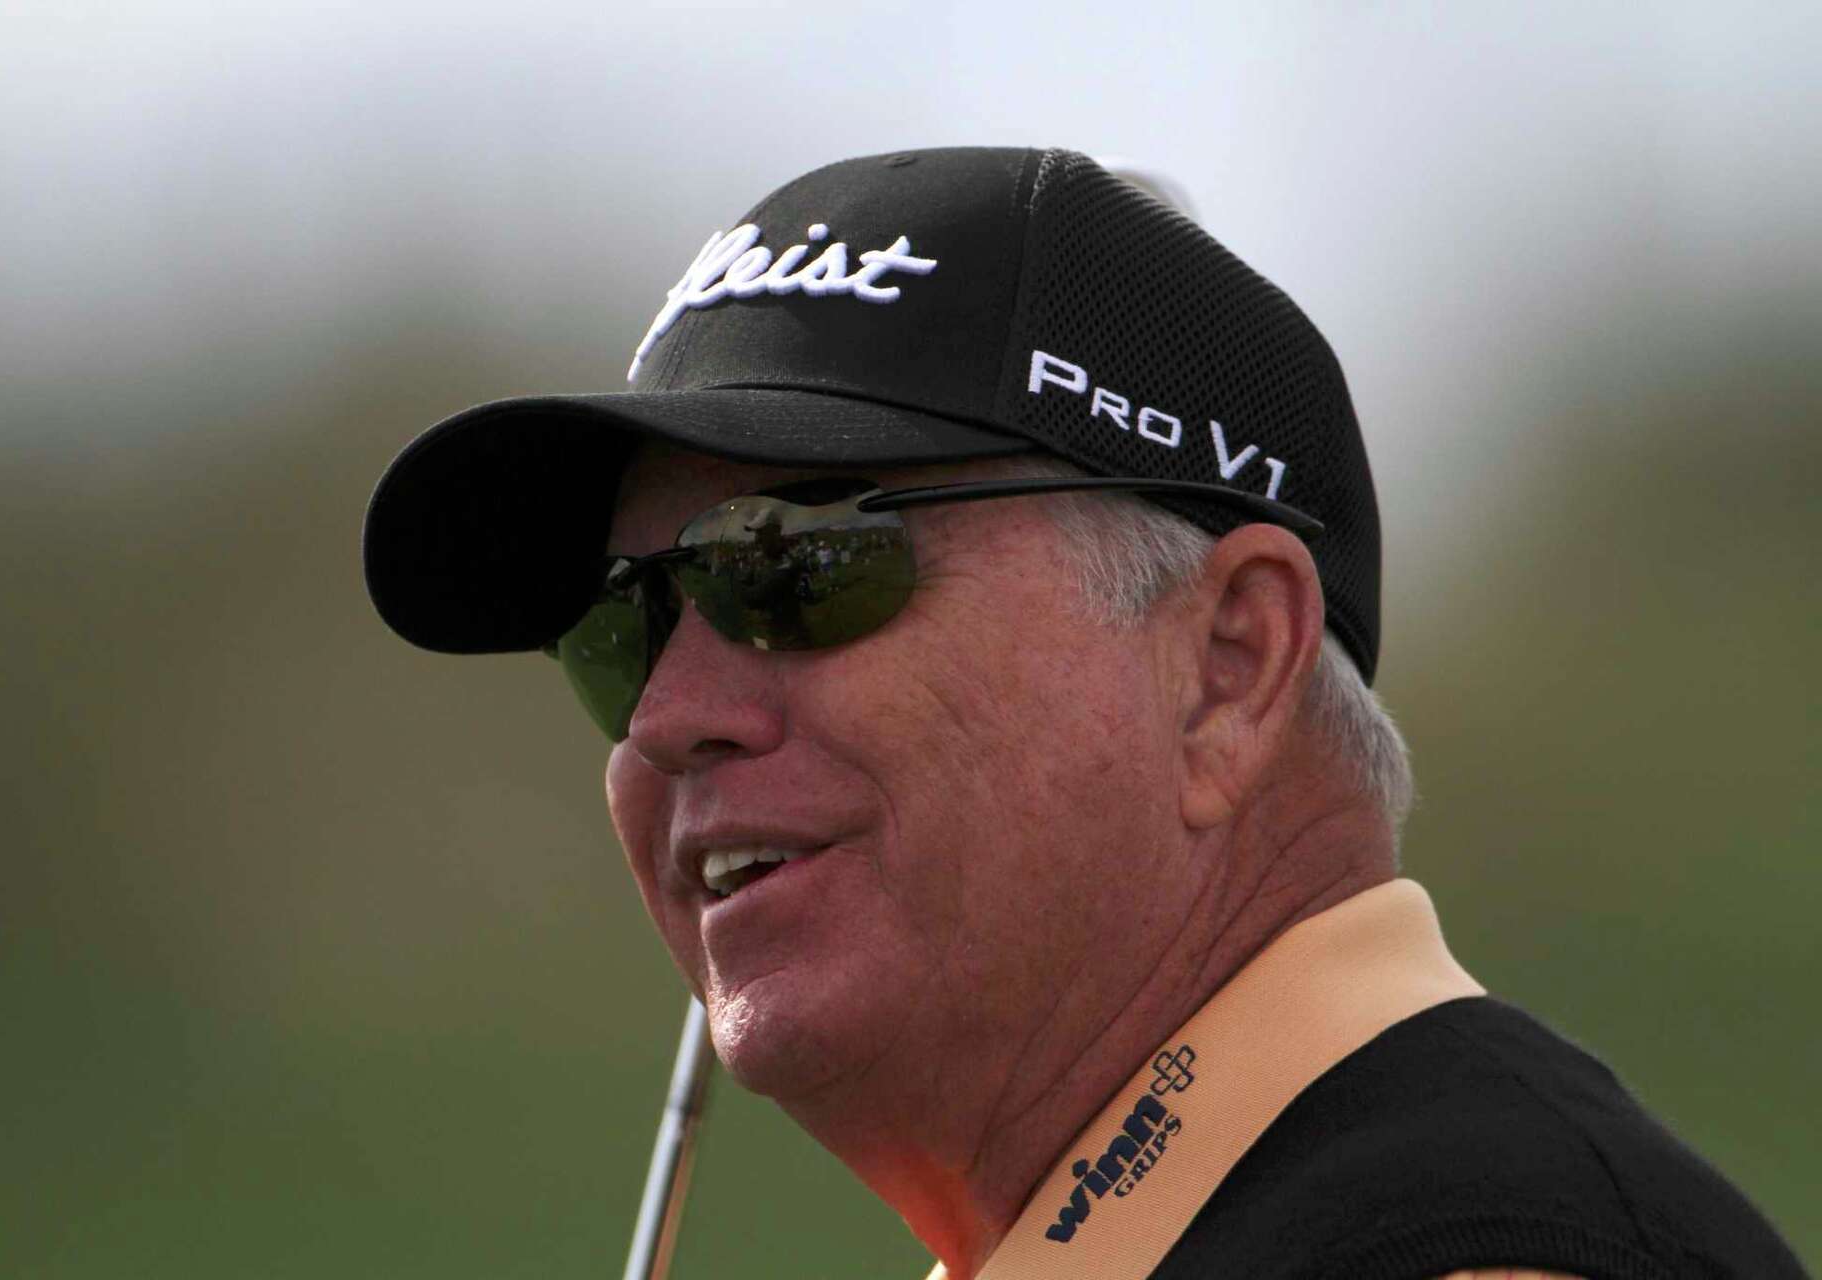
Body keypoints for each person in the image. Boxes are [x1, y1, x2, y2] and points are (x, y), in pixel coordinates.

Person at [362, 147, 1805, 1279]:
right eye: (625, 620)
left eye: (790, 565)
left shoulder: (1481, 1255)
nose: (669, 714)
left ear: (1228, 666)